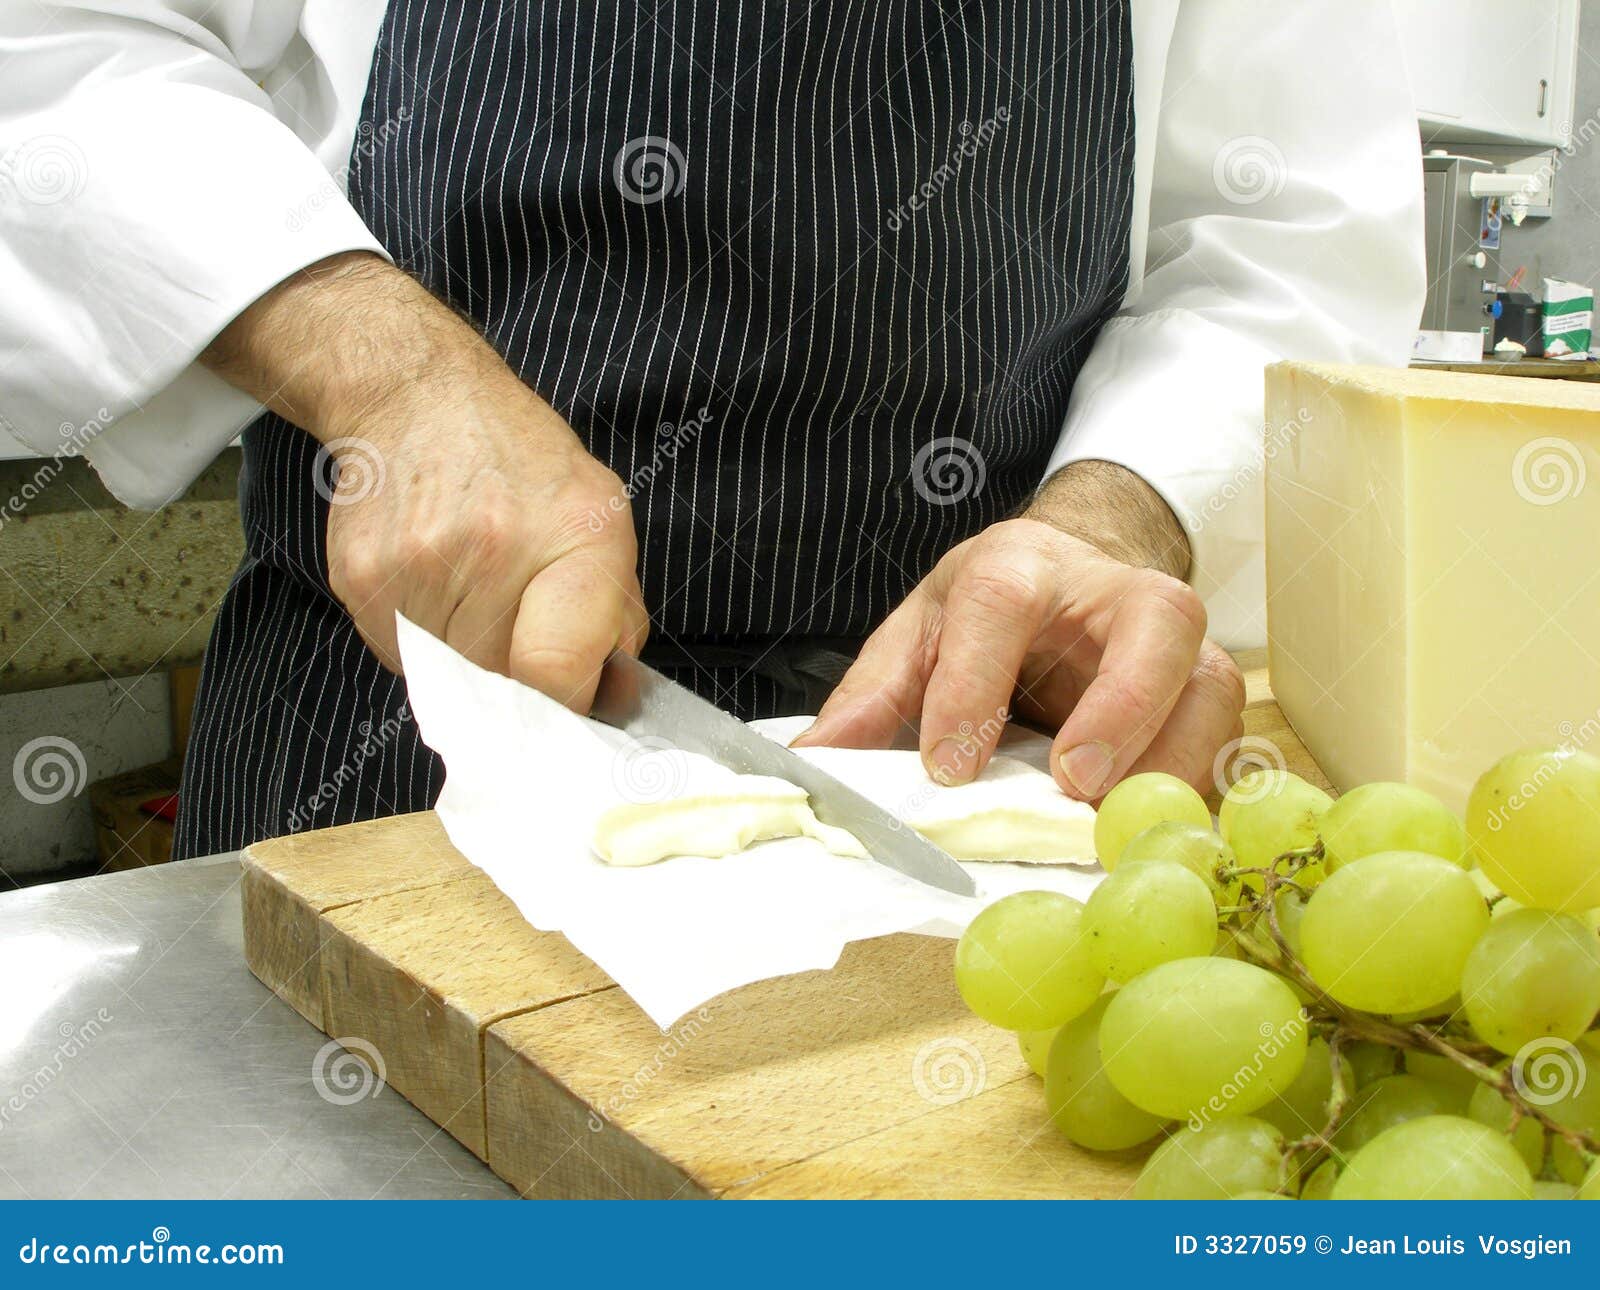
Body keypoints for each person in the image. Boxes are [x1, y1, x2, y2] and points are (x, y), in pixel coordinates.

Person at [0, 2, 1425, 858]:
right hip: (396, 731)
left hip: (975, 764)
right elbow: (57, 40)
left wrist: (1104, 521)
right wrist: (393, 380)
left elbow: (1286, 230)